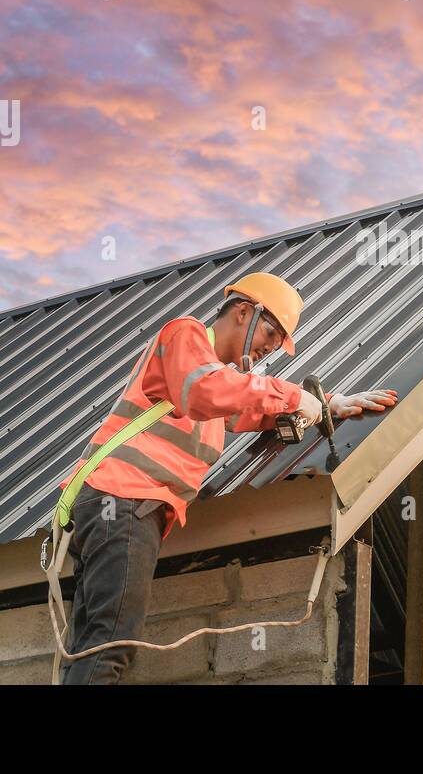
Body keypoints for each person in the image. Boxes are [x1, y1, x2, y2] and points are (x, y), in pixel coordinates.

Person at [57, 272, 397, 684]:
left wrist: (328, 404)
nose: (270, 347)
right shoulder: (185, 335)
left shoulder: (215, 381)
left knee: (90, 646)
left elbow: (250, 408)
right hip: (124, 501)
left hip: (116, 506)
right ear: (243, 312)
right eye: (271, 333)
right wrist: (294, 395)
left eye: (278, 342)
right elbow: (207, 391)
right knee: (112, 642)